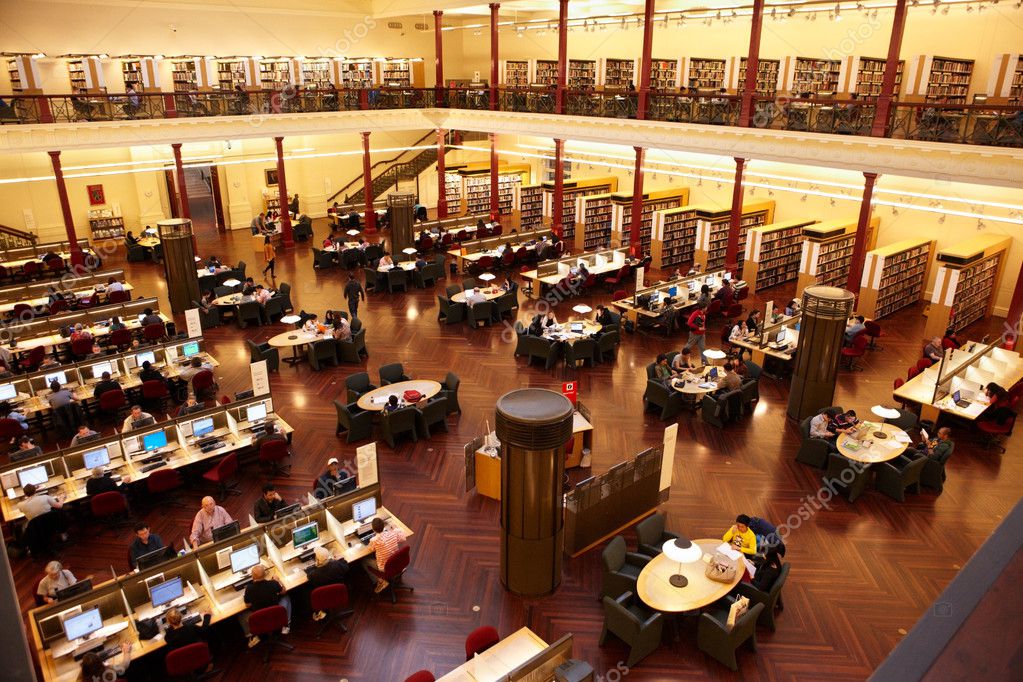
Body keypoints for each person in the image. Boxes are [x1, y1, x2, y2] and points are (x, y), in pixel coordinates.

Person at [242, 564, 292, 646]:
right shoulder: (273, 583)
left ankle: (252, 636)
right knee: (286, 597)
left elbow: (247, 605)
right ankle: (286, 625)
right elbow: (283, 591)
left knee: (241, 614)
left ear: (252, 577)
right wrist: (278, 580)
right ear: (265, 574)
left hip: (259, 619)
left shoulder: (249, 588)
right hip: (275, 616)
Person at [364, 517, 406, 593]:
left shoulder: (374, 540)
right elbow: (403, 538)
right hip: (396, 563)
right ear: (384, 526)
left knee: (364, 560)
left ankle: (380, 581)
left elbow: (370, 550)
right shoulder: (393, 533)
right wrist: (396, 528)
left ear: (373, 529)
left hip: (385, 567)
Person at [308, 548, 350, 618]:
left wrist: (315, 566)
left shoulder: (314, 575)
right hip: (339, 593)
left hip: (323, 598)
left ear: (317, 560)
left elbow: (309, 576)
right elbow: (346, 567)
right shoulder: (337, 565)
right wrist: (341, 559)